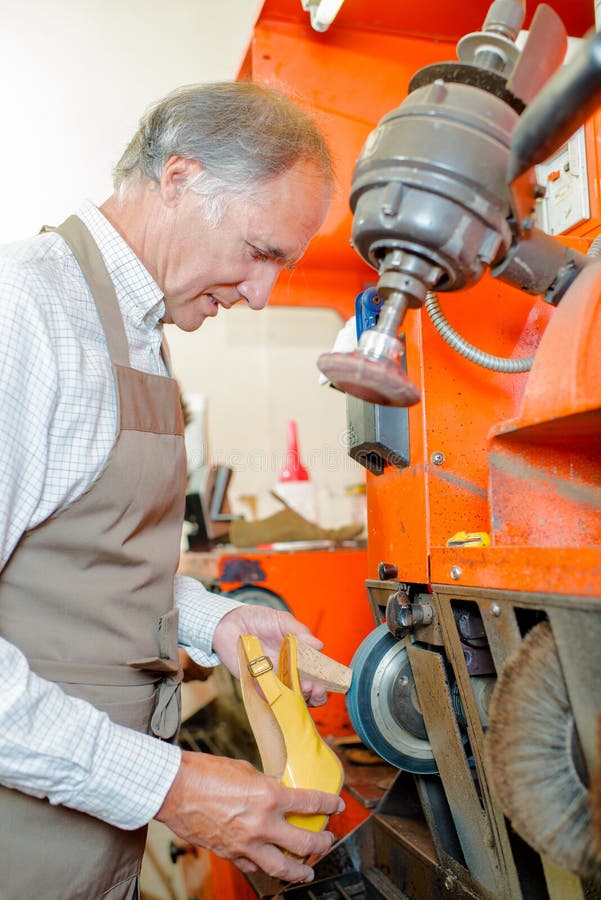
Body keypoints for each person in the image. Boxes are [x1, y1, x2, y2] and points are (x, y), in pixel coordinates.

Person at [0, 81, 342, 899]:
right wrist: (171, 787)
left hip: (84, 838)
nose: (261, 295)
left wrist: (216, 621)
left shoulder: (136, 328)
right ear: (180, 180)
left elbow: (75, 563)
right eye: (261, 253)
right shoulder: (30, 314)